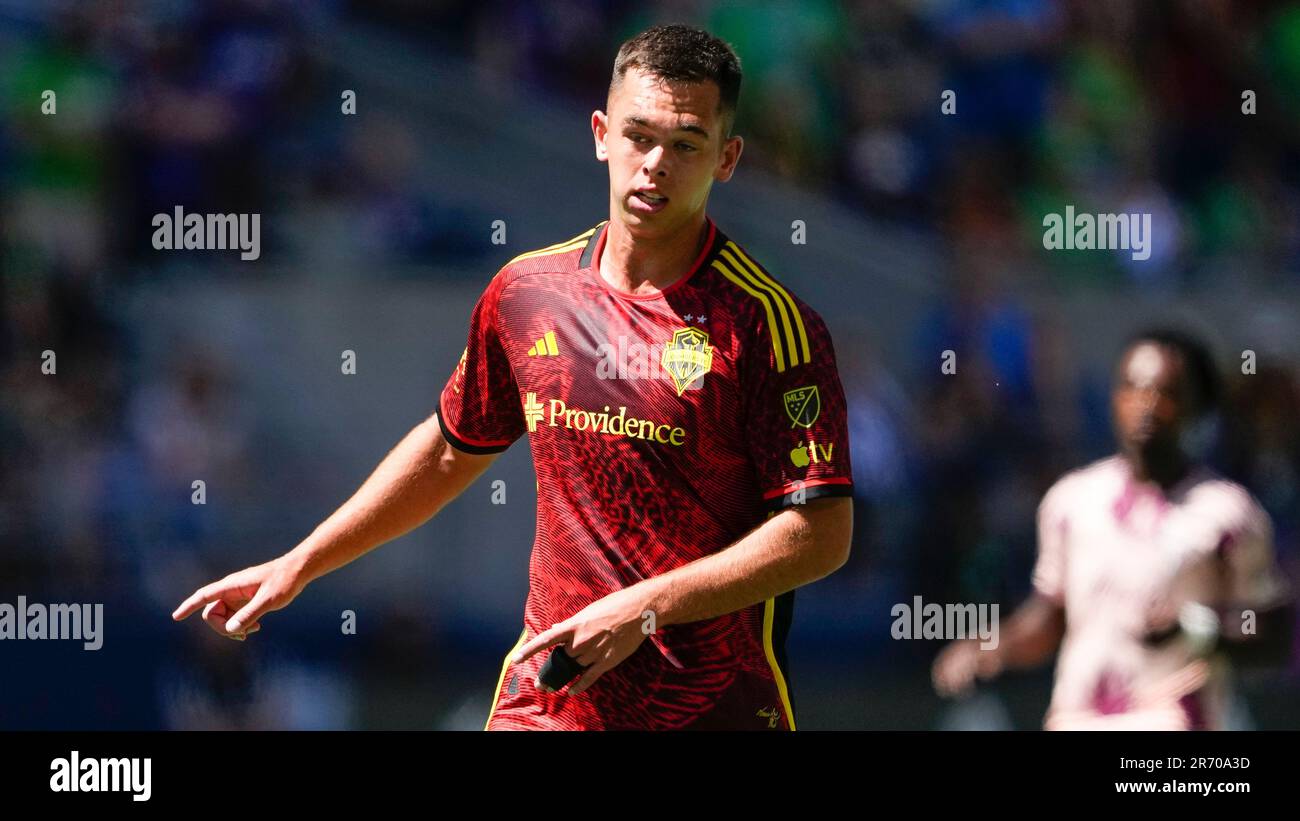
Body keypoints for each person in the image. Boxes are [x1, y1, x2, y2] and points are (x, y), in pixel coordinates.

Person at [173, 24, 855, 730]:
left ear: (728, 157)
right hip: (550, 701)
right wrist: (301, 562)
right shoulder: (527, 293)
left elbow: (820, 533)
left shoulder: (771, 327)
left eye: (685, 144)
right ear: (600, 133)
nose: (655, 163)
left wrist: (647, 606)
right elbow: (446, 449)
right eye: (638, 136)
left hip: (714, 712)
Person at [932, 329, 1292, 729]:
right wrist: (992, 646)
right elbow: (1053, 615)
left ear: (1194, 406)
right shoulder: (1072, 500)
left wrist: (1195, 629)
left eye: (1165, 391)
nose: (1147, 405)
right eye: (1134, 388)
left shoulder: (1227, 512)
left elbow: (1272, 637)